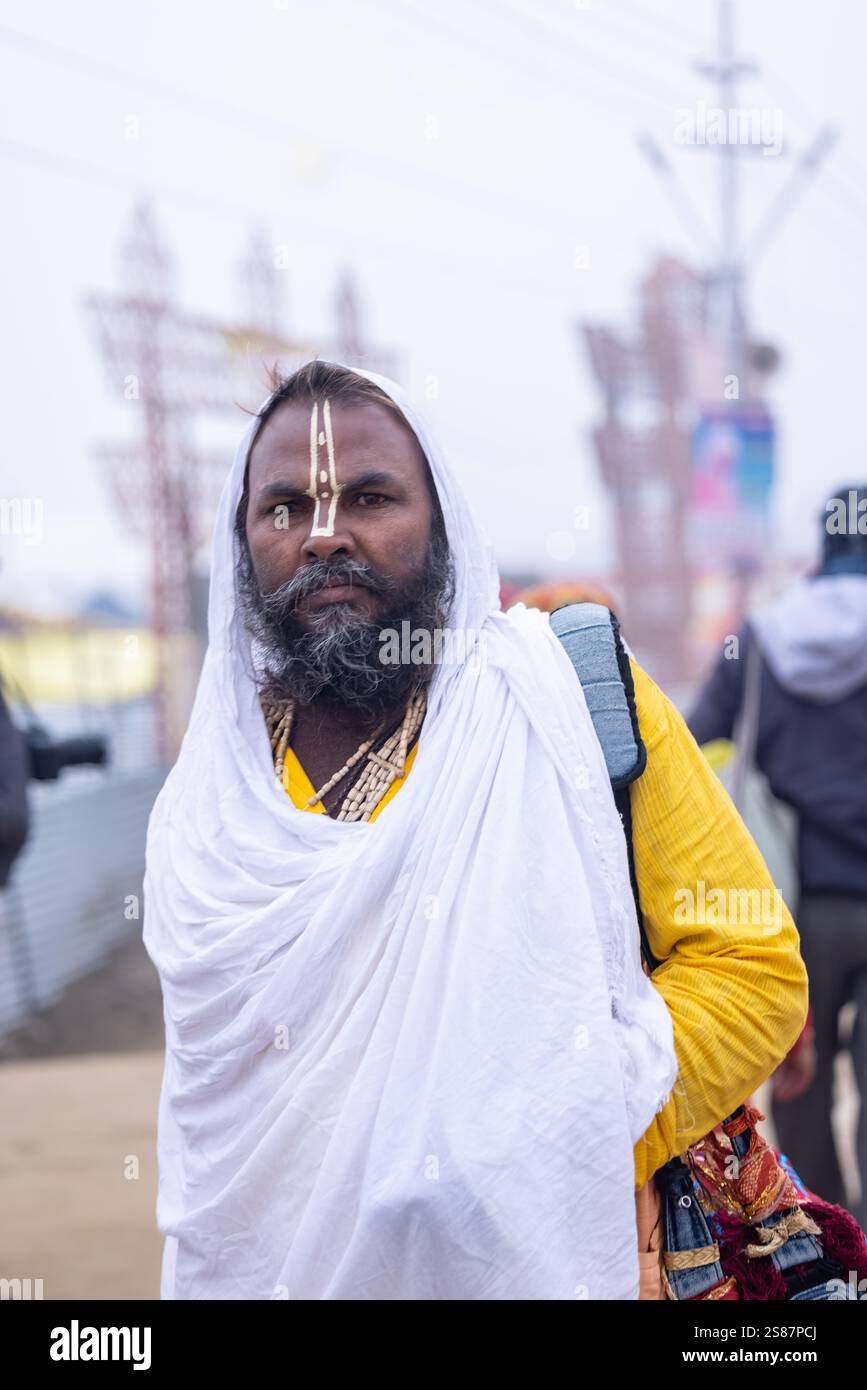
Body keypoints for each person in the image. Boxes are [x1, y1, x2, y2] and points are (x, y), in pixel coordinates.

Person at [143, 359, 808, 1300]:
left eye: (371, 497)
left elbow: (753, 969)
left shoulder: (563, 703)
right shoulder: (215, 803)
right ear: (244, 540)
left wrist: (540, 1139)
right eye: (284, 507)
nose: (325, 534)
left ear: (442, 522)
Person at [687, 484, 867, 1229]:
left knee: (797, 1078)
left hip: (791, 903)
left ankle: (828, 1236)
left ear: (821, 546)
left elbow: (693, 746)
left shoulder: (760, 639)